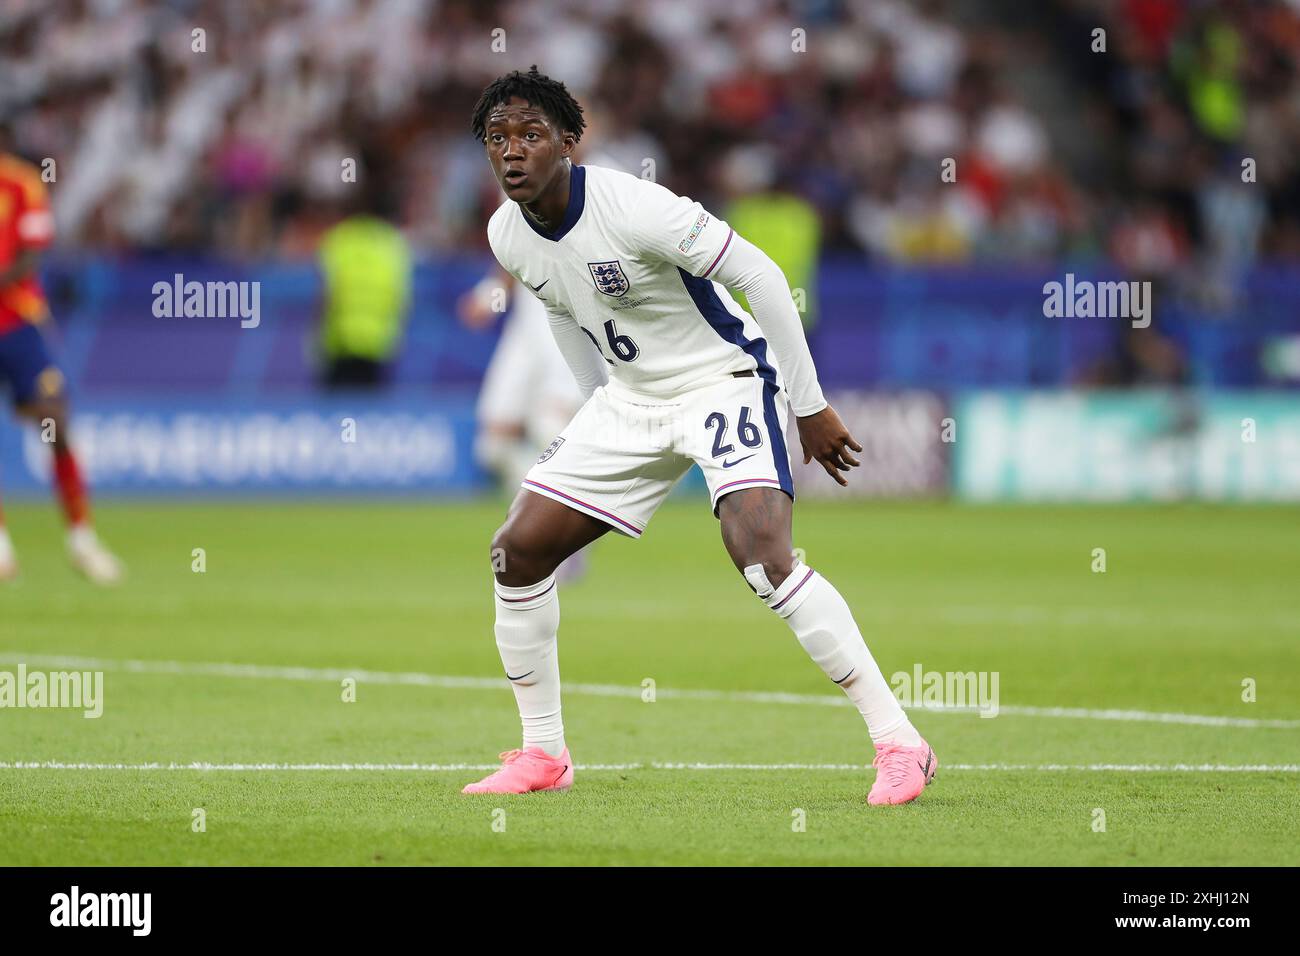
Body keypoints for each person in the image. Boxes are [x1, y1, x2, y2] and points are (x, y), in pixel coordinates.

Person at [460, 68, 936, 805]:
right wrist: (598, 409)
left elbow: (763, 276)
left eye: (530, 134)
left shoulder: (635, 206)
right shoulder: (506, 233)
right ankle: (543, 754)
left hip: (722, 382)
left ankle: (900, 742)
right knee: (515, 554)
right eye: (498, 139)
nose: (513, 151)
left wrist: (809, 406)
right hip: (632, 401)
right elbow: (562, 309)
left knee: (763, 561)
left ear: (568, 142)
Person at [0, 138, 123, 584]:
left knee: (55, 420)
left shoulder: (21, 183)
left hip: (17, 322)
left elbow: (30, 256)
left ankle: (82, 538)